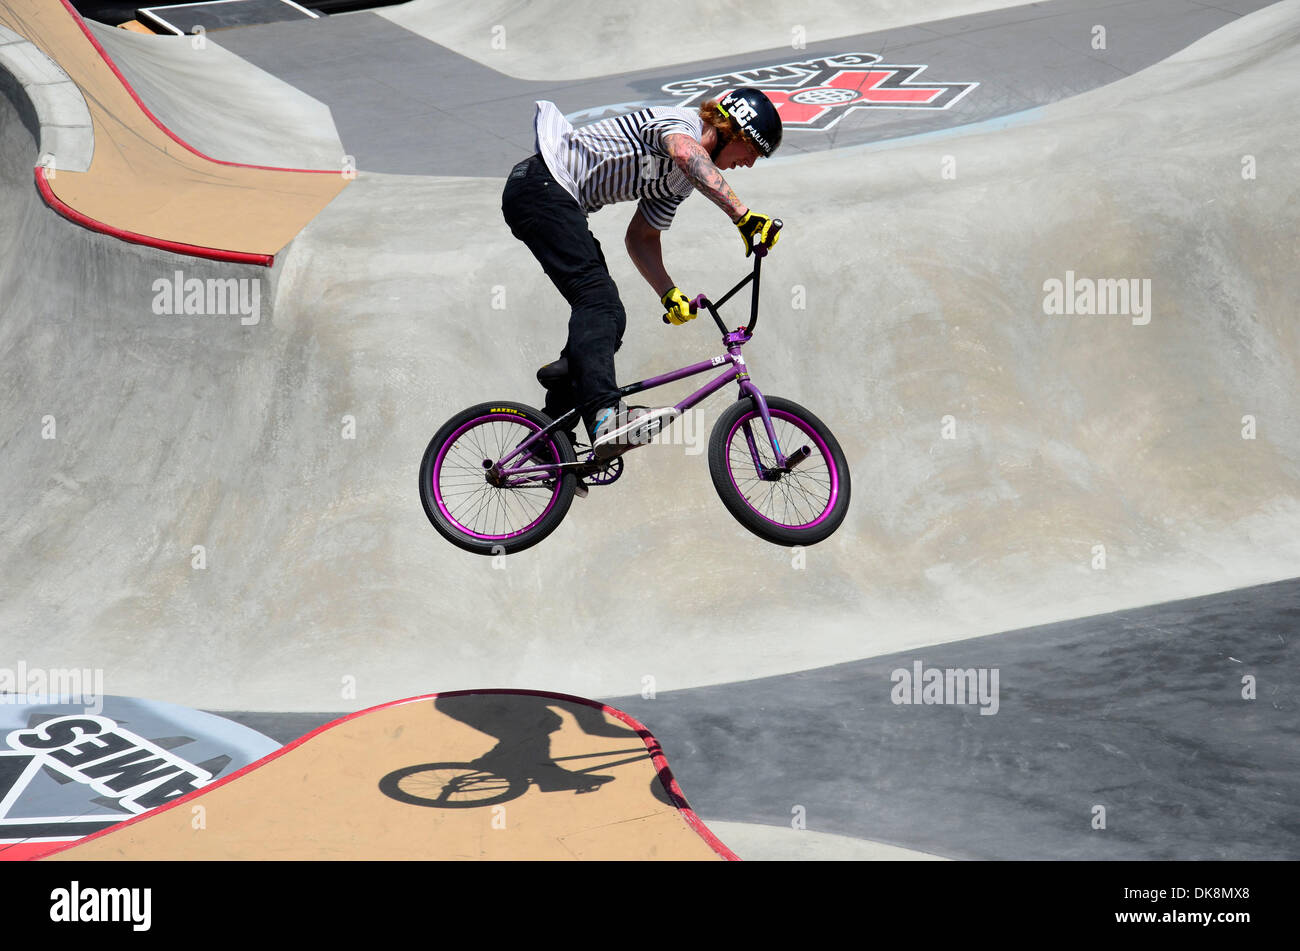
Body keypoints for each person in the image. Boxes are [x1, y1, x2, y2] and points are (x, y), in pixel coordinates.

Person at [500, 87, 783, 462]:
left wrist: (668, 292)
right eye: (751, 151)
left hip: (556, 201)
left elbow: (642, 235)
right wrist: (742, 216)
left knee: (611, 318)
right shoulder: (680, 123)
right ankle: (605, 416)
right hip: (541, 186)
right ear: (731, 131)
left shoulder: (681, 182)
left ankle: (548, 434)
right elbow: (687, 153)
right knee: (597, 300)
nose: (748, 163)